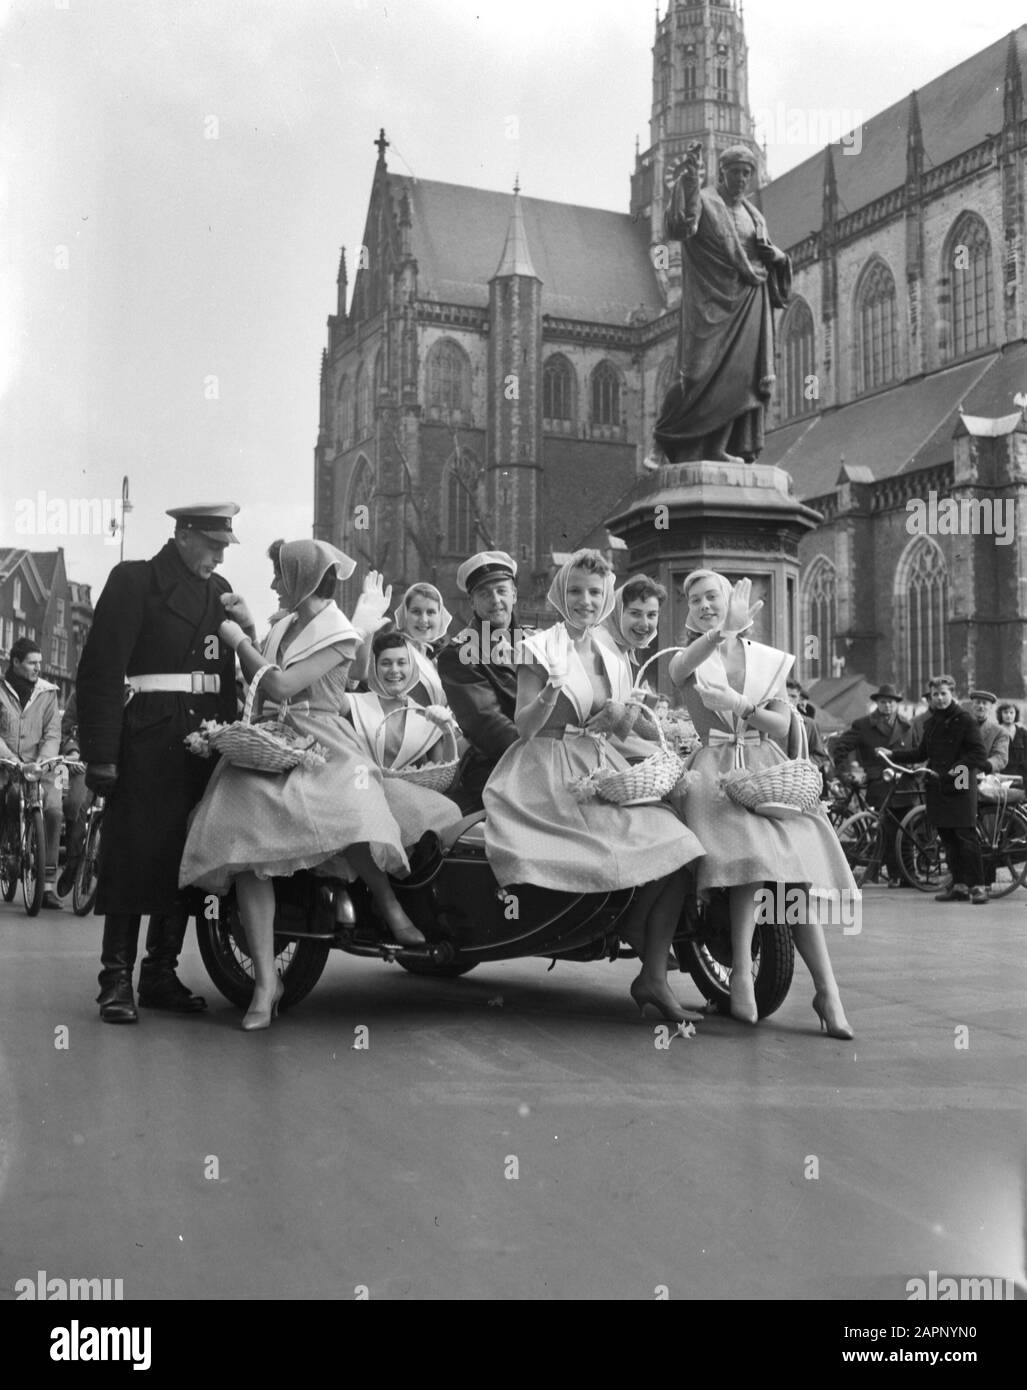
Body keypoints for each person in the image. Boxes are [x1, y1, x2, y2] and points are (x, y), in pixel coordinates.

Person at [179, 539, 440, 1031]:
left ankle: (388, 904)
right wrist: (254, 632)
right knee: (243, 839)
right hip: (275, 739)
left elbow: (281, 685)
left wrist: (238, 641)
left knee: (351, 810)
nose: (276, 584)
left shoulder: (340, 630)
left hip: (323, 736)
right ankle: (264, 981)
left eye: (281, 576)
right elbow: (267, 680)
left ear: (302, 579)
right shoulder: (284, 624)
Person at [483, 549, 705, 1023]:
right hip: (544, 770)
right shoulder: (540, 647)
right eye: (578, 591)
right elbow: (523, 727)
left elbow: (615, 724)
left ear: (607, 598)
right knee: (610, 848)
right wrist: (547, 692)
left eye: (596, 593)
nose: (586, 601)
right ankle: (644, 954)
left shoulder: (611, 653)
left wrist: (637, 715)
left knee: (682, 846)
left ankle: (648, 966)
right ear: (563, 593)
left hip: (597, 763)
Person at [668, 570, 855, 1038]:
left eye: (713, 596)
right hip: (714, 771)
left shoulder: (766, 660)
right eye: (696, 600)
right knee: (752, 855)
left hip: (766, 770)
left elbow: (781, 724)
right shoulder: (689, 655)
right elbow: (677, 673)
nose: (704, 603)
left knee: (795, 877)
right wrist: (721, 630)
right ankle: (744, 975)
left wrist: (742, 705)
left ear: (730, 597)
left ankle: (827, 988)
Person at [77, 504, 244, 1022]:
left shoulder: (220, 593)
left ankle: (159, 972)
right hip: (146, 736)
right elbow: (101, 671)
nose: (218, 555)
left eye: (224, 547)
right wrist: (101, 755)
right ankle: (115, 980)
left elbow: (224, 675)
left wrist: (230, 741)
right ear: (183, 535)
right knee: (131, 855)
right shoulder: (135, 581)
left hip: (201, 739)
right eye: (212, 544)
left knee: (186, 859)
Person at [651, 143, 790, 466]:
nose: (741, 179)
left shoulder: (755, 215)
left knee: (740, 379)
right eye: (735, 172)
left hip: (748, 303)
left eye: (747, 173)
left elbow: (764, 258)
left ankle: (718, 448)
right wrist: (688, 181)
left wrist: (781, 259)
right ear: (722, 172)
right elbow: (680, 227)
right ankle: (662, 440)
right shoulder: (707, 200)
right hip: (709, 304)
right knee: (695, 374)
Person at [342, 630, 461, 846]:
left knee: (449, 811)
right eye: (386, 663)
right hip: (356, 794)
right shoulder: (352, 704)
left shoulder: (425, 715)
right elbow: (328, 693)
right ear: (374, 667)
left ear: (412, 667)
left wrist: (446, 731)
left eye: (401, 662)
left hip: (405, 804)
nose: (394, 670)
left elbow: (444, 774)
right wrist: (363, 632)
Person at [437, 551, 528, 814]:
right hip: (498, 766)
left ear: (514, 595)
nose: (495, 600)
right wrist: (541, 757)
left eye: (501, 590)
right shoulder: (459, 655)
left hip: (547, 756)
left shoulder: (536, 642)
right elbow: (487, 724)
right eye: (485, 594)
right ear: (472, 603)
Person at [887, 675, 990, 905]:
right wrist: (892, 754)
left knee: (966, 835)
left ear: (952, 693)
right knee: (948, 836)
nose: (940, 698)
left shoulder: (965, 720)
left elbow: (978, 755)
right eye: (935, 695)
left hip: (960, 783)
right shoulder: (931, 723)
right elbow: (921, 753)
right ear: (930, 697)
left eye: (944, 693)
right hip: (938, 785)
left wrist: (953, 771)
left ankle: (978, 886)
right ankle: (960, 885)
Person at [0, 637, 63, 909]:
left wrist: (42, 761)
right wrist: (13, 760)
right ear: (15, 662)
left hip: (39, 768)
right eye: (31, 663)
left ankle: (47, 885)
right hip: (7, 766)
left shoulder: (48, 693)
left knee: (53, 810)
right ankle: (8, 851)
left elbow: (52, 733)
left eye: (39, 662)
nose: (38, 668)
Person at [830, 683, 913, 886]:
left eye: (891, 702)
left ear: (897, 704)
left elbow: (918, 751)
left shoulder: (907, 725)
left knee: (909, 829)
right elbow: (840, 748)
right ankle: (895, 875)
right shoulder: (863, 725)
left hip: (906, 782)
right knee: (890, 829)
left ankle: (910, 875)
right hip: (879, 782)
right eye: (883, 702)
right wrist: (846, 775)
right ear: (876, 703)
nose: (888, 706)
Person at [600, 575, 669, 760]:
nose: (645, 624)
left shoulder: (623, 651)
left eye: (651, 615)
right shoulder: (602, 647)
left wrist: (646, 706)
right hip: (596, 747)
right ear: (617, 612)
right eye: (635, 613)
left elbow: (635, 725)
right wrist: (636, 704)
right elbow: (618, 728)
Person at [389, 583, 453, 706]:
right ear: (405, 615)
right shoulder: (395, 652)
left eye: (430, 612)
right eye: (416, 612)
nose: (423, 620)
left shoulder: (434, 659)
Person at [785, 677, 832, 790]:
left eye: (793, 696)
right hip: (774, 780)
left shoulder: (810, 724)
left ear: (799, 699)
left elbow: (819, 754)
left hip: (800, 783)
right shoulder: (770, 721)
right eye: (786, 695)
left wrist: (803, 767)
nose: (789, 699)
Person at [967, 690, 1010, 773]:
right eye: (978, 702)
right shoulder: (962, 726)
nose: (981, 706)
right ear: (972, 706)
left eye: (984, 703)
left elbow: (1000, 757)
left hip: (986, 778)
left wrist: (986, 764)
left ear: (990, 708)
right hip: (961, 776)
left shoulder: (1000, 732)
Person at [997, 702, 1027, 780]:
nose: (1008, 715)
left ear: (1015, 714)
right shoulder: (996, 732)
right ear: (1000, 714)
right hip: (1001, 774)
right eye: (1005, 712)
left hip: (1021, 775)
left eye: (1011, 712)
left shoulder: (1023, 733)